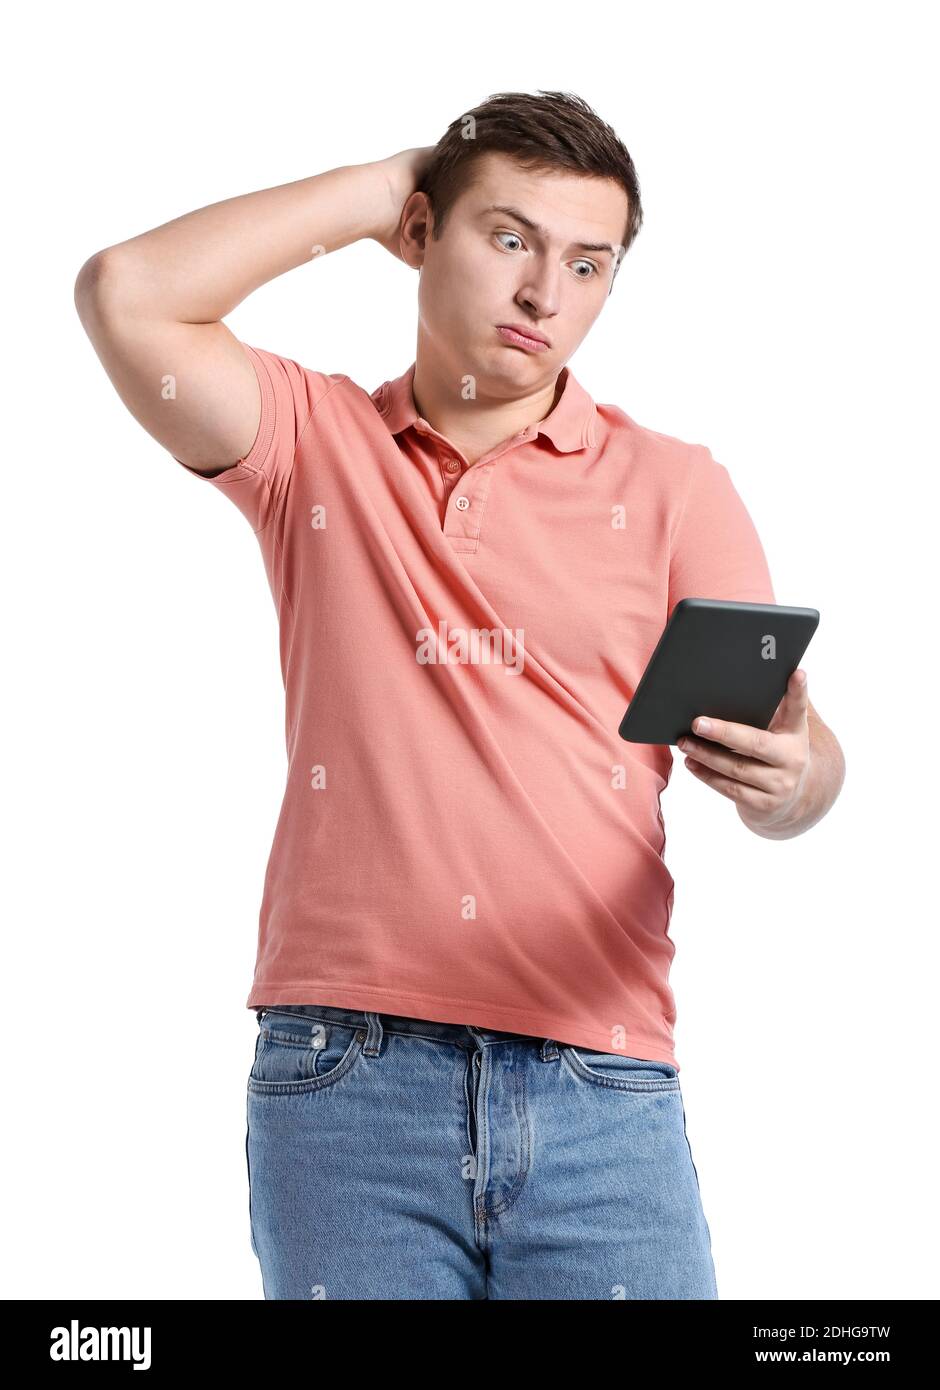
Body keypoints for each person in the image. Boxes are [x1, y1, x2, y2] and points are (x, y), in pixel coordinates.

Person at [74, 89, 844, 1300]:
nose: (547, 294)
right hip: (345, 1086)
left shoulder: (677, 486)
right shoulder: (311, 442)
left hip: (604, 1083)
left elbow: (798, 762)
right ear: (422, 234)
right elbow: (127, 290)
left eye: (588, 264)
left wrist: (796, 774)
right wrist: (386, 184)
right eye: (510, 240)